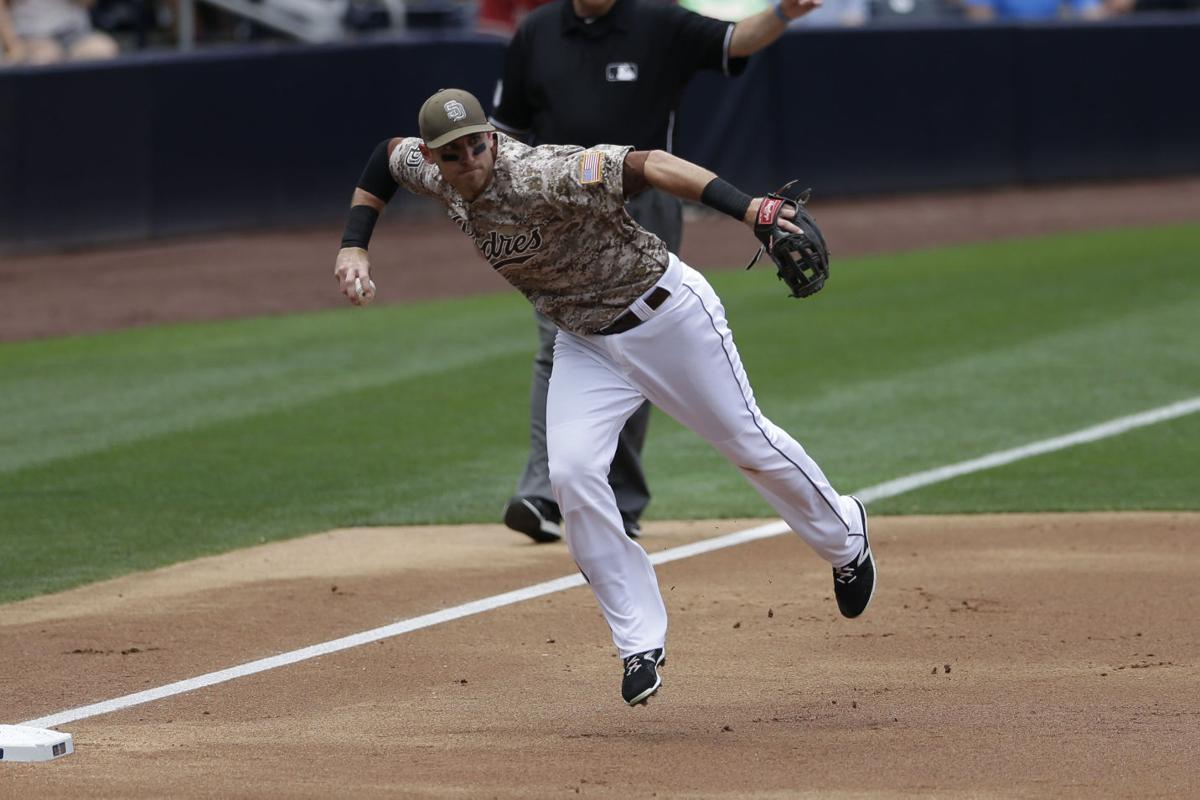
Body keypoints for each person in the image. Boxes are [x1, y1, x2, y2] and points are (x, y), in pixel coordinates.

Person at [333, 88, 877, 706]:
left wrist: (747, 207)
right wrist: (355, 242)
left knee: (747, 441)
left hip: (667, 319)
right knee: (569, 474)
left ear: (490, 135)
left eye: (476, 142)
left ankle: (845, 535)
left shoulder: (543, 174)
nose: (470, 158)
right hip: (586, 344)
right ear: (435, 159)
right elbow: (384, 156)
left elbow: (649, 165)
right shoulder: (432, 172)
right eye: (452, 153)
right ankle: (638, 640)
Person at [489, 0, 823, 545]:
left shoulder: (657, 21)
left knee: (637, 341)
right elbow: (505, 133)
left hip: (642, 205)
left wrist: (784, 12)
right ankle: (545, 493)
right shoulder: (537, 32)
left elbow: (734, 40)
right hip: (560, 211)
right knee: (559, 343)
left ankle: (621, 500)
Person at [0, 0, 118, 65]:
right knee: (44, 58)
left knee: (102, 49)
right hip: (31, 35)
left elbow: (87, 2)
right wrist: (13, 46)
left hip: (74, 33)